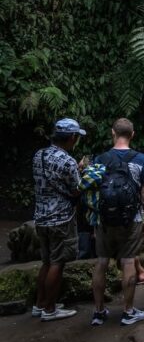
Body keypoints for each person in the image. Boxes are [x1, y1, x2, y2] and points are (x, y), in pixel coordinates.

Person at [90, 118, 144, 326]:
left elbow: (93, 192)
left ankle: (98, 312)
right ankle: (128, 312)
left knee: (101, 261)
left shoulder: (100, 158)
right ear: (132, 134)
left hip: (104, 219)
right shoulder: (142, 160)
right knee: (128, 262)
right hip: (131, 219)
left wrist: (93, 220)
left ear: (112, 133)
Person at [31, 118, 86, 321]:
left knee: (46, 262)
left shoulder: (39, 155)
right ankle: (50, 309)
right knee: (58, 263)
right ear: (71, 137)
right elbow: (76, 190)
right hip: (61, 218)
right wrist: (81, 173)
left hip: (40, 217)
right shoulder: (67, 161)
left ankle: (40, 304)